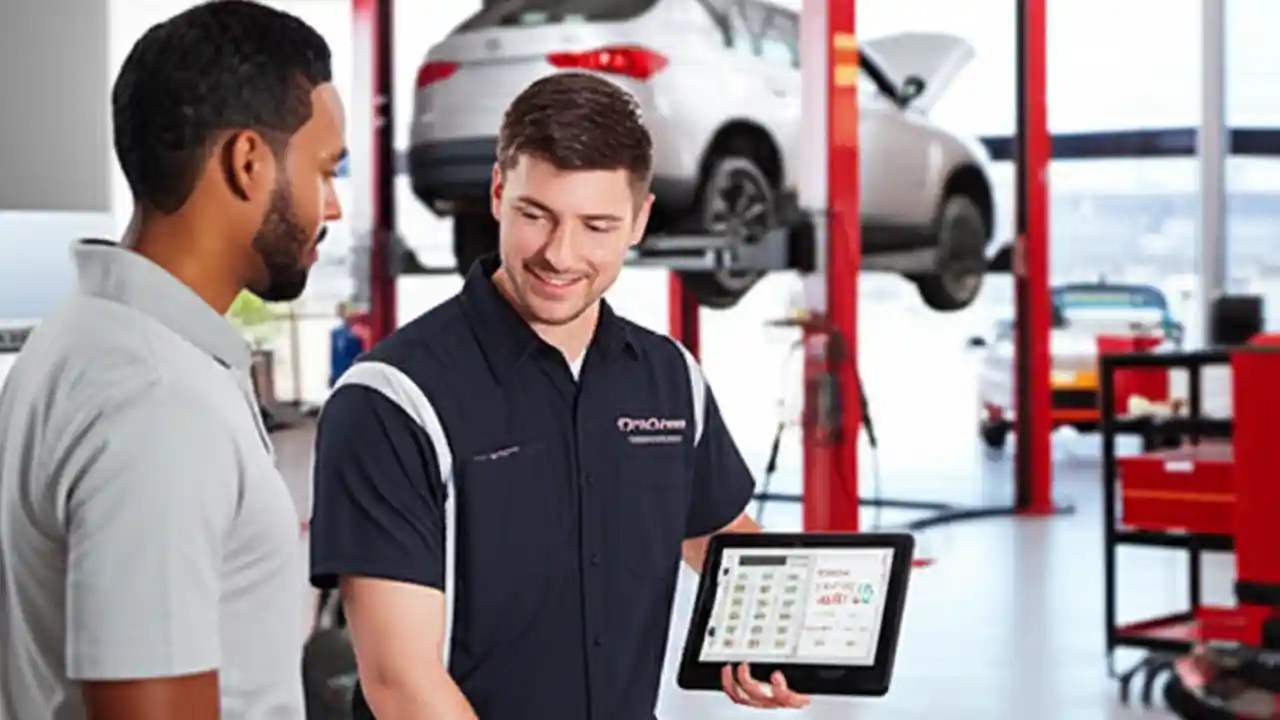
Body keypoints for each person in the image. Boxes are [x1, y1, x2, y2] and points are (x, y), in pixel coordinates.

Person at [309, 72, 810, 719]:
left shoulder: (667, 377)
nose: (560, 254)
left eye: (597, 225)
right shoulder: (393, 401)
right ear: (497, 193)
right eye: (535, 215)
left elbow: (714, 534)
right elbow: (401, 683)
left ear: (638, 221)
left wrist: (805, 612)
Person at [0, 2, 346, 718]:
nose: (332, 207)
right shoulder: (156, 400)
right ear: (248, 162)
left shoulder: (83, 337)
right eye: (324, 170)